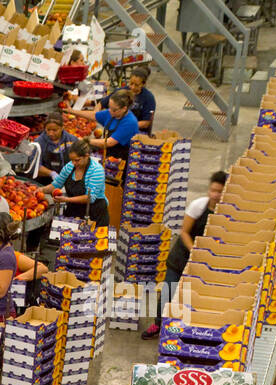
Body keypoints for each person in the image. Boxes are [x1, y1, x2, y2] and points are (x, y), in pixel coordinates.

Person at [144, 170, 229, 339]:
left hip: (204, 264)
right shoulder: (199, 205)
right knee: (170, 290)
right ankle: (158, 324)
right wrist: (195, 252)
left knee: (191, 298)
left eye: (219, 192)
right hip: (182, 257)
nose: (215, 195)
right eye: (213, 190)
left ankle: (180, 331)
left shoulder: (226, 212)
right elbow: (184, 232)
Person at [41, 139, 109, 227]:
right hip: (73, 211)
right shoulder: (69, 166)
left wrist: (66, 200)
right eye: (72, 160)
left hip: (94, 213)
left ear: (87, 156)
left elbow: (90, 198)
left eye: (77, 160)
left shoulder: (96, 170)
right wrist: (41, 190)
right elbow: (56, 184)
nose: (74, 163)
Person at [65, 90, 140, 166]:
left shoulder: (130, 122)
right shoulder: (112, 113)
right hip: (110, 155)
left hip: (123, 161)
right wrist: (71, 111)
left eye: (114, 110)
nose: (110, 111)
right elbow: (94, 115)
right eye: (109, 107)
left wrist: (84, 140)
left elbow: (109, 142)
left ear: (124, 108)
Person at [33, 114, 77, 183]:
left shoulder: (71, 140)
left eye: (54, 130)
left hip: (69, 179)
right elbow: (35, 166)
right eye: (48, 130)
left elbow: (80, 158)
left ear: (62, 127)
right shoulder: (39, 143)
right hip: (45, 181)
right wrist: (51, 173)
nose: (51, 133)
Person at [125, 65, 156, 132]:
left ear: (143, 84)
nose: (133, 87)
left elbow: (146, 123)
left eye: (136, 85)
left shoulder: (148, 98)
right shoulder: (122, 91)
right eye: (131, 83)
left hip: (138, 132)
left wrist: (127, 126)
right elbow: (104, 102)